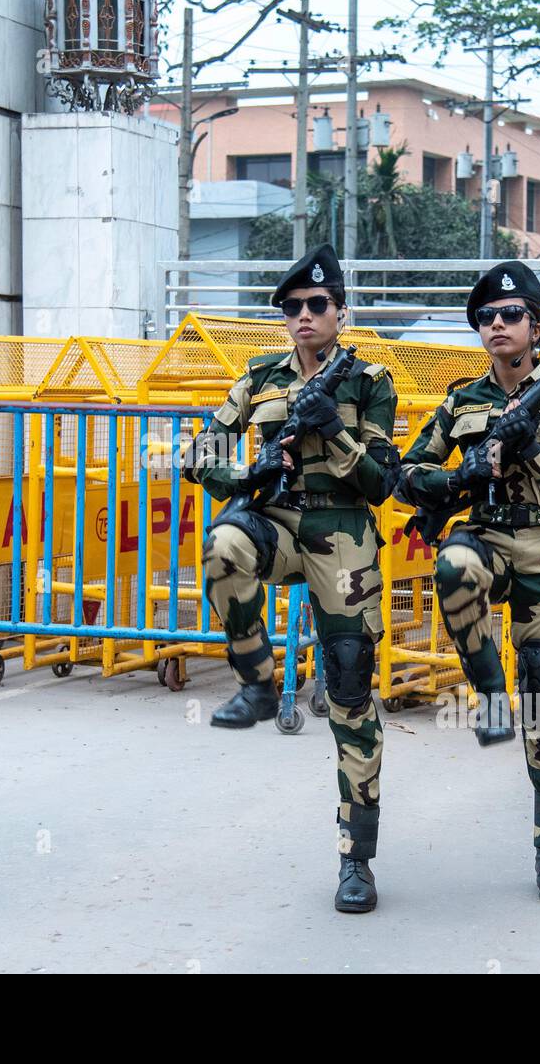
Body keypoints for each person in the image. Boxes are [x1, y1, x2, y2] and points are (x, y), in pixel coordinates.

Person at [185, 244, 401, 913]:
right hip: (277, 523)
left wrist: (332, 432)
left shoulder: (370, 380)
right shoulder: (258, 378)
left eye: (316, 305)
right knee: (222, 544)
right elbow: (198, 455)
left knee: (349, 687)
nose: (303, 316)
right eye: (292, 308)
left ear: (340, 310)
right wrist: (246, 474)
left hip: (343, 534)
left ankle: (355, 861)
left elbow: (383, 482)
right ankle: (256, 681)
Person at [395, 261, 540, 903]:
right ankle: (487, 694)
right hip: (484, 539)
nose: (498, 326)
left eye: (511, 316)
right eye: (486, 317)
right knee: (452, 565)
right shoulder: (461, 401)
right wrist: (465, 477)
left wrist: (530, 449)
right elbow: (407, 477)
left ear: (535, 326)